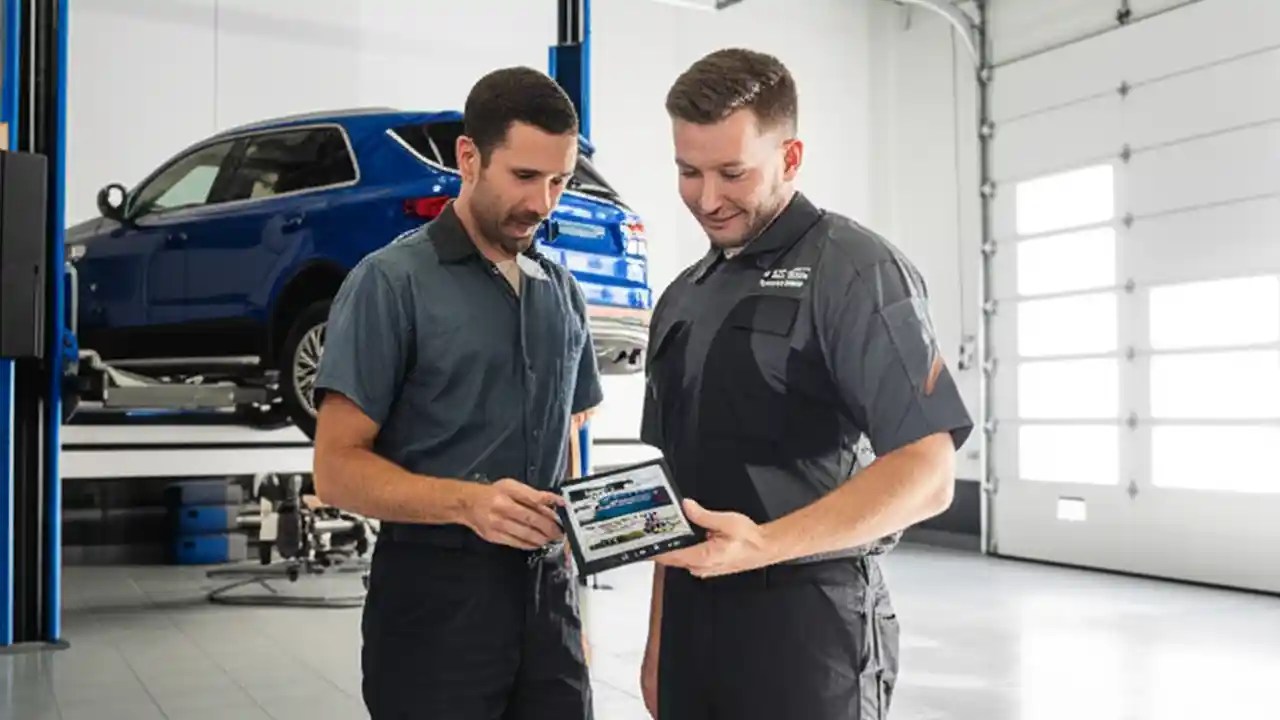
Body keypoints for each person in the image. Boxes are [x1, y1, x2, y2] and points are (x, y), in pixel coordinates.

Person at [639, 48, 975, 720]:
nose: (707, 199)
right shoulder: (680, 297)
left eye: (733, 172)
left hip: (809, 627)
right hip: (694, 630)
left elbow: (927, 472)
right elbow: (675, 486)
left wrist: (762, 544)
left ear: (790, 159)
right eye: (688, 171)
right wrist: (657, 644)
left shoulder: (855, 270)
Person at [311, 66, 602, 720]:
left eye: (559, 181)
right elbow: (336, 470)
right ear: (468, 158)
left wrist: (573, 609)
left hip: (547, 607)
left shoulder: (563, 295)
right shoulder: (389, 284)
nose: (544, 204)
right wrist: (469, 504)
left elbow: (571, 450)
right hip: (432, 606)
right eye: (524, 178)